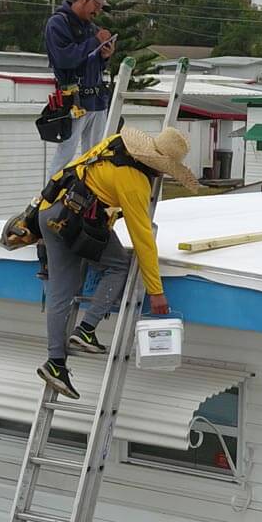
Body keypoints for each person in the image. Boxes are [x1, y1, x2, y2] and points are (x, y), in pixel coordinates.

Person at [35, 125, 198, 400]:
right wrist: (156, 291)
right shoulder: (135, 181)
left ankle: (59, 358)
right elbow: (142, 238)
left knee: (62, 290)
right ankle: (81, 335)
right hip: (73, 223)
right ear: (159, 166)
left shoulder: (116, 142)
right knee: (117, 266)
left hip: (50, 210)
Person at [44, 0, 116, 177]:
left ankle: (88, 199)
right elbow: (64, 59)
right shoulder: (58, 24)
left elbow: (93, 65)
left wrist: (105, 56)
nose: (98, 11)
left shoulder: (92, 28)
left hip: (97, 100)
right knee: (64, 156)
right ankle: (49, 200)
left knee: (95, 156)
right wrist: (94, 42)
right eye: (97, 5)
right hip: (73, 100)